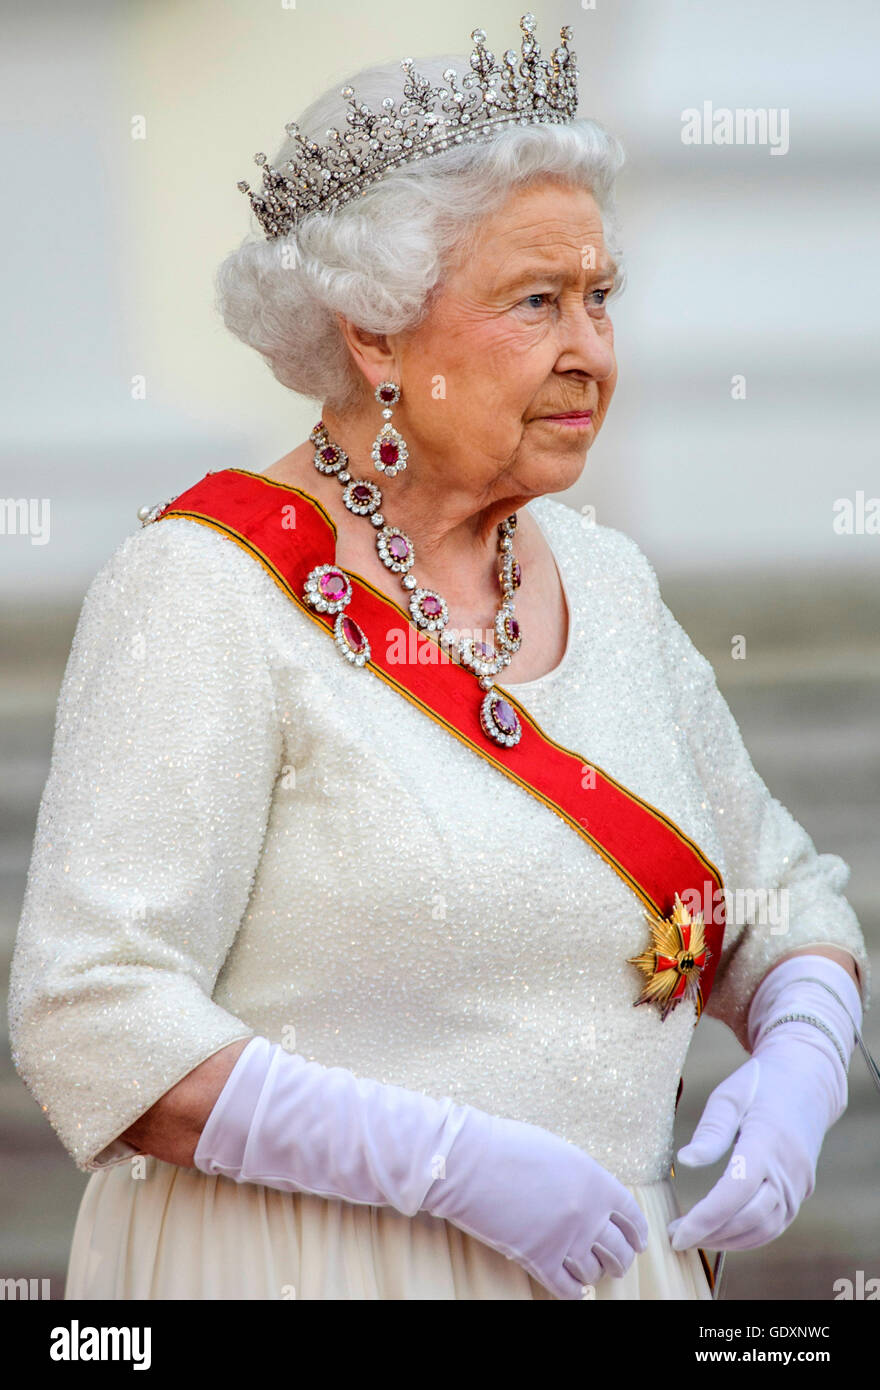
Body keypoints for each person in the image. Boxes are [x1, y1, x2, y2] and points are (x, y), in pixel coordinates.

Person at [8, 15, 869, 1301]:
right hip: (309, 1268)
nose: (590, 349)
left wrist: (803, 1044)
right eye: (535, 302)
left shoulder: (610, 585)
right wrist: (443, 1162)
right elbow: (90, 1009)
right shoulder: (203, 591)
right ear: (374, 335)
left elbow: (777, 891)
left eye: (599, 298)